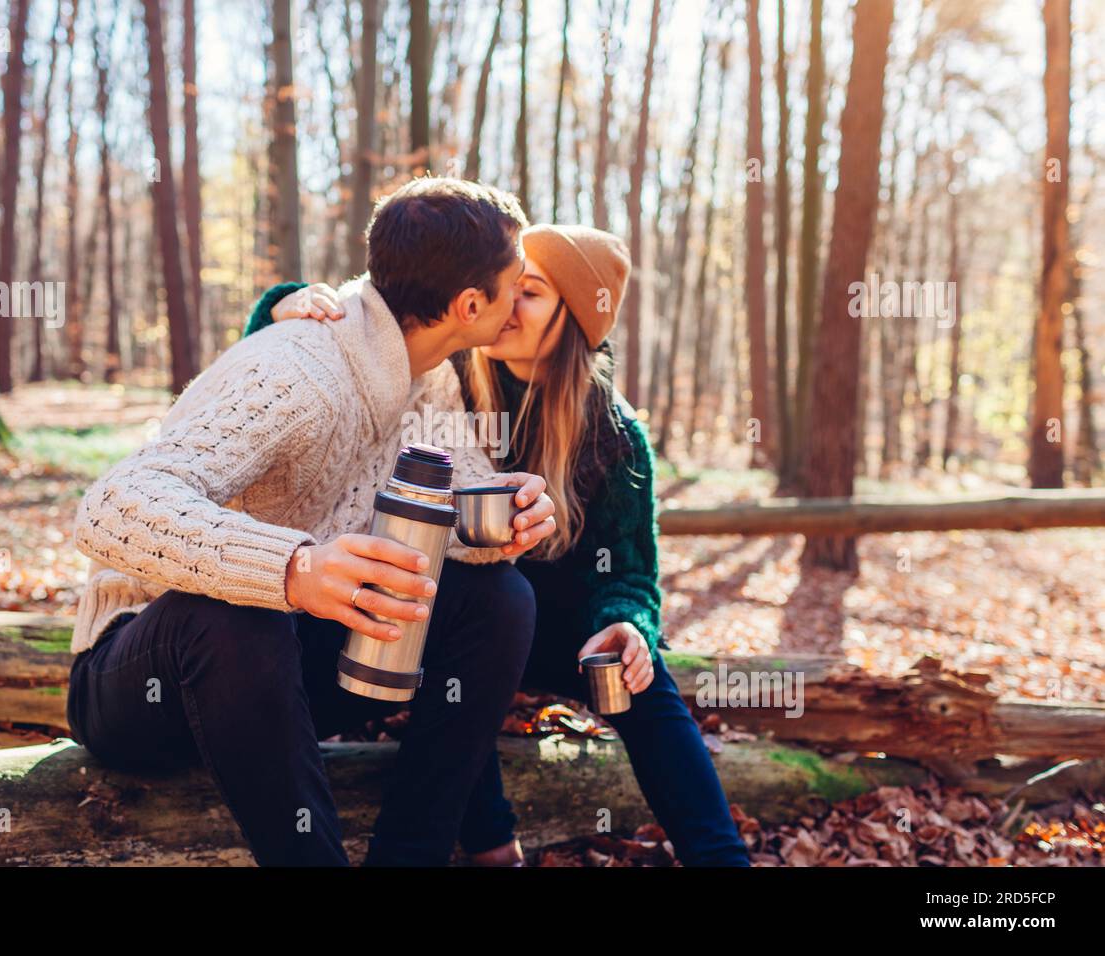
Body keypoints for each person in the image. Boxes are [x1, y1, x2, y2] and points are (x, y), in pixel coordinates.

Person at [64, 177, 558, 867]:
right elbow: (110, 509)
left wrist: (499, 518)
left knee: (501, 601)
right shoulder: (295, 370)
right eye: (516, 284)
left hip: (280, 678)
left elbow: (449, 508)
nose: (521, 300)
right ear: (469, 304)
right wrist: (293, 570)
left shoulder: (435, 377)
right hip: (143, 685)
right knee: (238, 612)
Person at [245, 223, 751, 867]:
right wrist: (282, 304)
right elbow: (337, 348)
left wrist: (626, 625)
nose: (506, 304)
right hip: (461, 615)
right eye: (510, 285)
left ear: (573, 318)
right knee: (468, 626)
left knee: (644, 685)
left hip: (564, 634)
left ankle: (722, 857)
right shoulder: (449, 374)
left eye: (531, 292)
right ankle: (490, 843)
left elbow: (629, 574)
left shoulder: (612, 432)